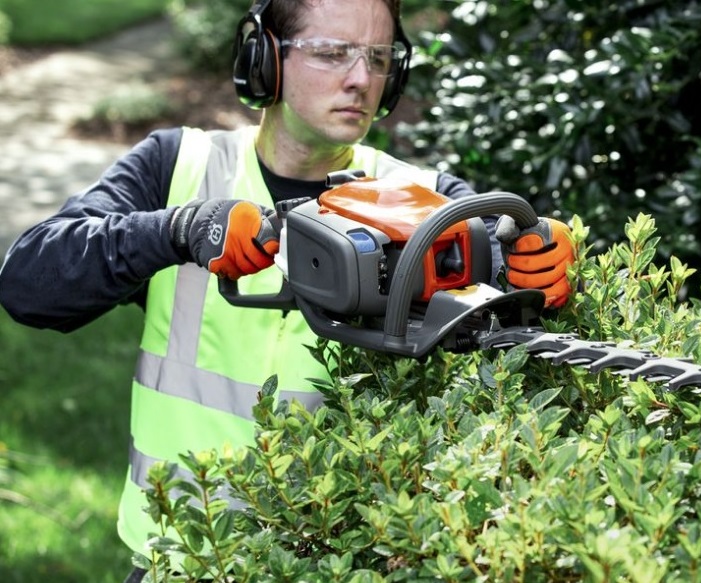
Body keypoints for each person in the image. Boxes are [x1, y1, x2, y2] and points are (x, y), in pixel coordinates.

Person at [0, 0, 575, 579]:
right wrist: (175, 230)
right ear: (265, 59)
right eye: (331, 53)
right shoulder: (181, 167)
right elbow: (29, 283)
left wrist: (534, 264)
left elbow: (511, 265)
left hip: (334, 565)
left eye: (378, 57)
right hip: (177, 560)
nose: (360, 78)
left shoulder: (425, 200)